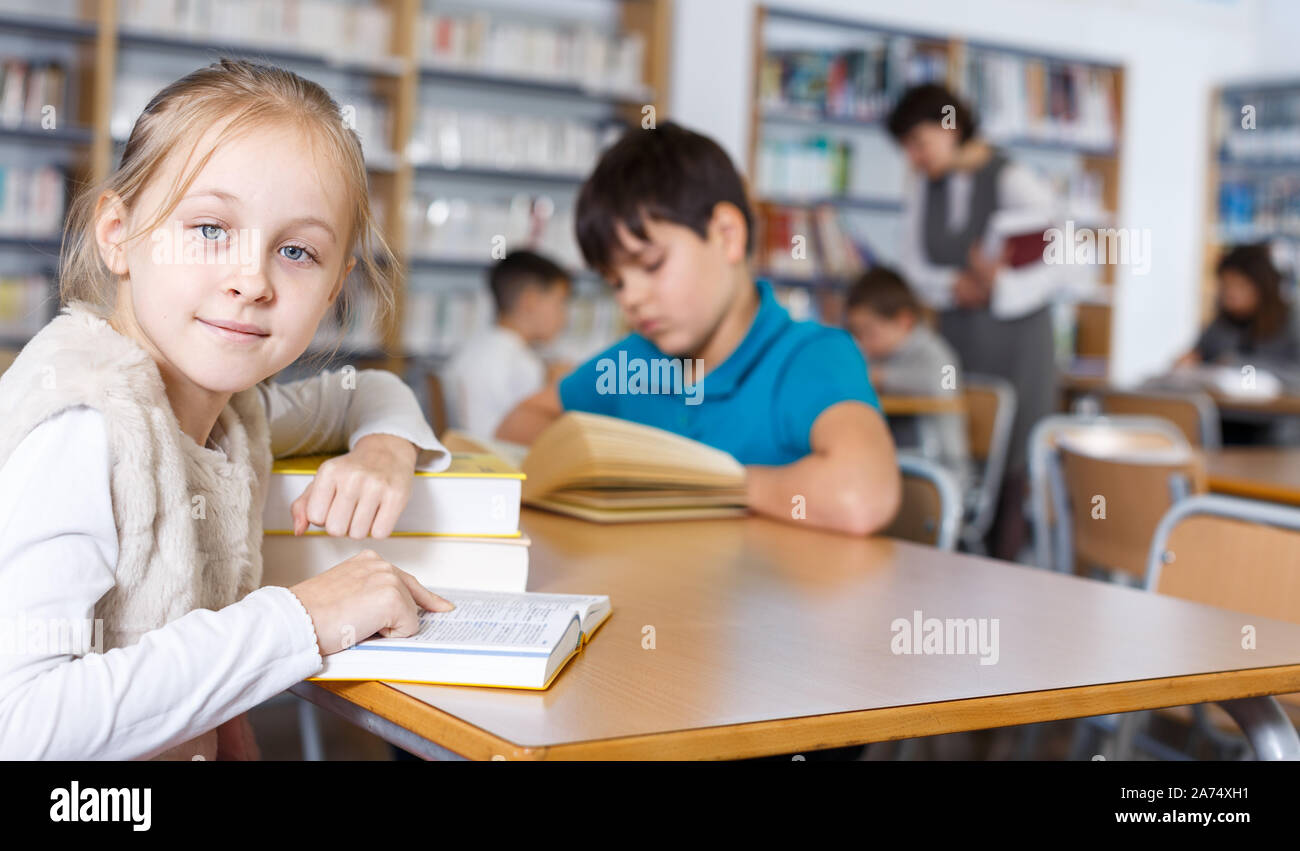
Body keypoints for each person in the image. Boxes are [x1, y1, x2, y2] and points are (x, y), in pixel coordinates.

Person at [0, 59, 455, 760]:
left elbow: (369, 391)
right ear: (119, 234)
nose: (251, 280)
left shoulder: (234, 409)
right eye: (211, 228)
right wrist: (301, 618)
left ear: (335, 289)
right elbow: (23, 728)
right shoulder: (84, 424)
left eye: (298, 251)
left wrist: (382, 451)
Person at [496, 122, 900, 537]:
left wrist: (694, 482)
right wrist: (595, 462)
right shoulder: (637, 361)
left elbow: (860, 497)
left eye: (651, 265)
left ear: (727, 235)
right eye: (615, 282)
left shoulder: (810, 357)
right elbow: (519, 423)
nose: (629, 298)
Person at [887, 83, 1062, 559]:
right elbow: (913, 264)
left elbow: (1061, 256)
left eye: (919, 143)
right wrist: (953, 287)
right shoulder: (925, 186)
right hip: (959, 335)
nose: (914, 157)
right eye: (907, 148)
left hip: (1018, 339)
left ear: (951, 128)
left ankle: (1002, 573)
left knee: (1012, 458)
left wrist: (997, 287)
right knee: (964, 445)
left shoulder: (1012, 177)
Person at [845, 266, 971, 490]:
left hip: (941, 475)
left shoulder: (933, 352)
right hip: (902, 467)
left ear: (904, 321)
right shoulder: (883, 356)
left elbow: (939, 382)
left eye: (870, 332)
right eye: (857, 333)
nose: (863, 343)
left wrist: (879, 377)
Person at [444, 250, 572, 437]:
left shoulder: (475, 348)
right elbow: (541, 435)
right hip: (504, 458)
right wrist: (560, 388)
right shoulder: (521, 363)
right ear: (530, 301)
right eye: (560, 303)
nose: (564, 316)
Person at [1177, 243, 1299, 370]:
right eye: (1225, 286)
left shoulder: (1291, 322)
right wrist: (1189, 360)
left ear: (1263, 287)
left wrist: (1239, 364)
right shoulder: (1222, 323)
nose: (1230, 294)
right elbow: (1199, 354)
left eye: (1239, 286)